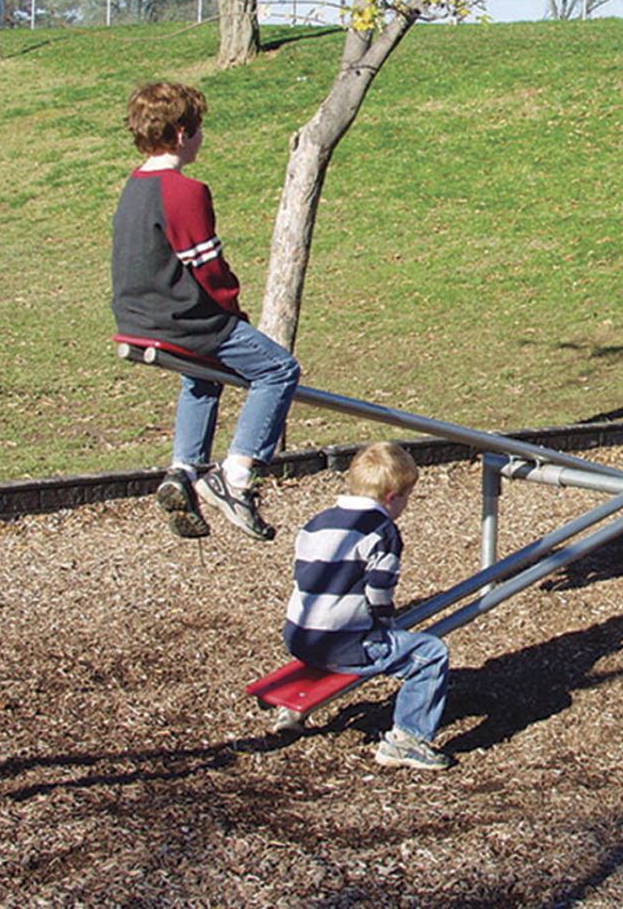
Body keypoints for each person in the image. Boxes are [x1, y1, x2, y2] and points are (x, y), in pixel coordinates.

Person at [111, 81, 301, 541]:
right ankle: (235, 478)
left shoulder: (133, 186)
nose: (200, 138)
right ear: (180, 134)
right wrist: (233, 312)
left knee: (203, 374)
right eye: (198, 130)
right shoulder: (185, 192)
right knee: (278, 370)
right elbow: (208, 268)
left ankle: (183, 470)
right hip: (187, 321)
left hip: (138, 317)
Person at [282, 442, 453, 771]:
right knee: (430, 654)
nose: (404, 506)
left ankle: (290, 707)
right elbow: (379, 592)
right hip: (344, 643)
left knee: (331, 626)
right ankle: (408, 739)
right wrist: (388, 626)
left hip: (299, 638)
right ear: (392, 496)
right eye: (406, 498)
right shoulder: (381, 531)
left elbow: (303, 576)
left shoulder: (316, 523)